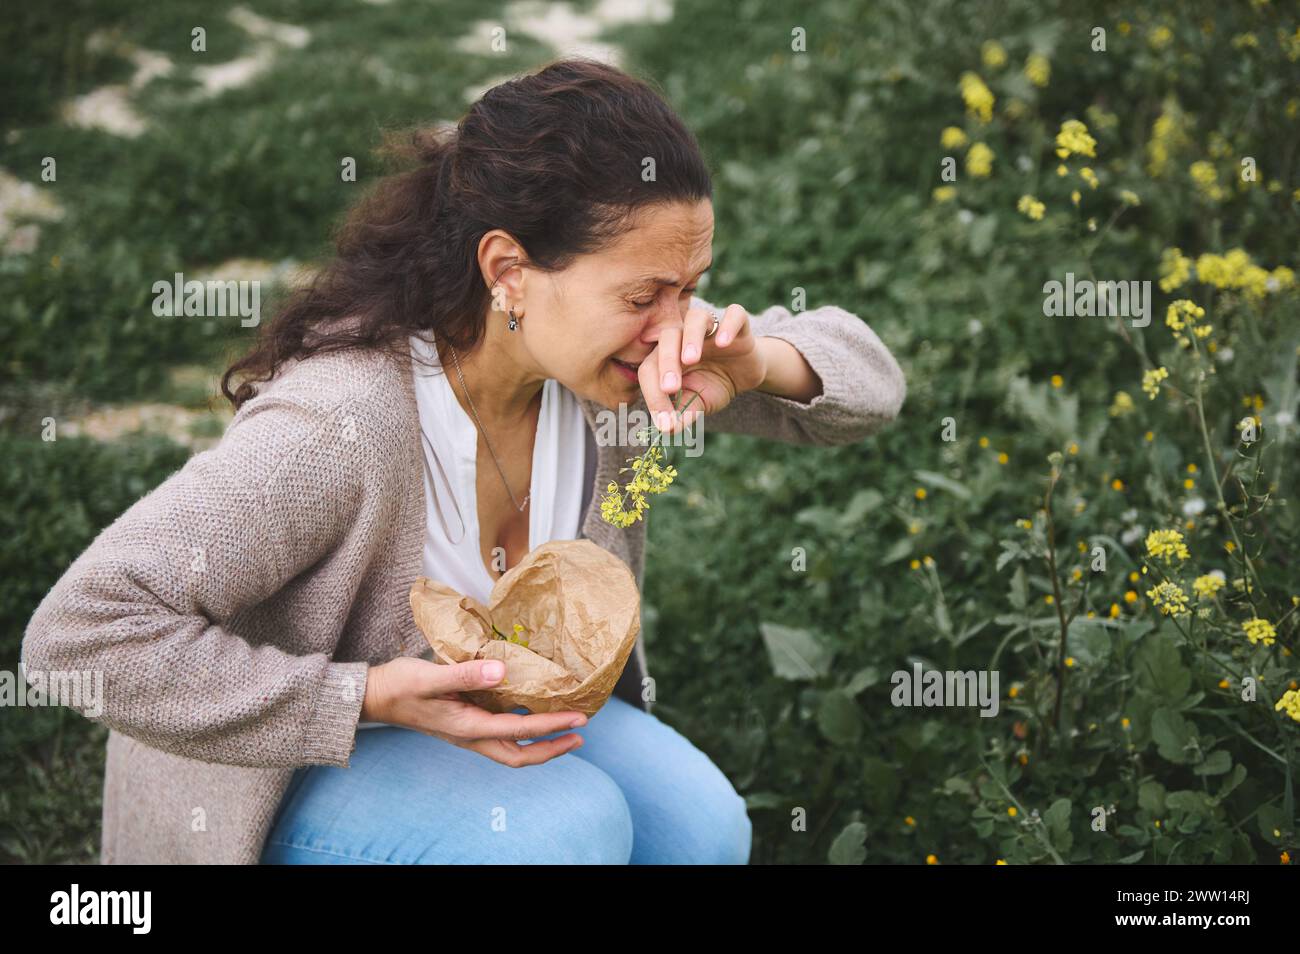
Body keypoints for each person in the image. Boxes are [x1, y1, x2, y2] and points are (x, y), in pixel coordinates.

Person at [22, 57, 906, 865]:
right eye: (643, 295)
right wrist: (361, 695)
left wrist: (754, 363)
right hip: (288, 763)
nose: (672, 323)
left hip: (482, 719)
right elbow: (75, 639)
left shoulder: (622, 372)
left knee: (706, 829)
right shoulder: (341, 426)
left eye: (691, 285)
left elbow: (873, 385)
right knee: (565, 834)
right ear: (509, 270)